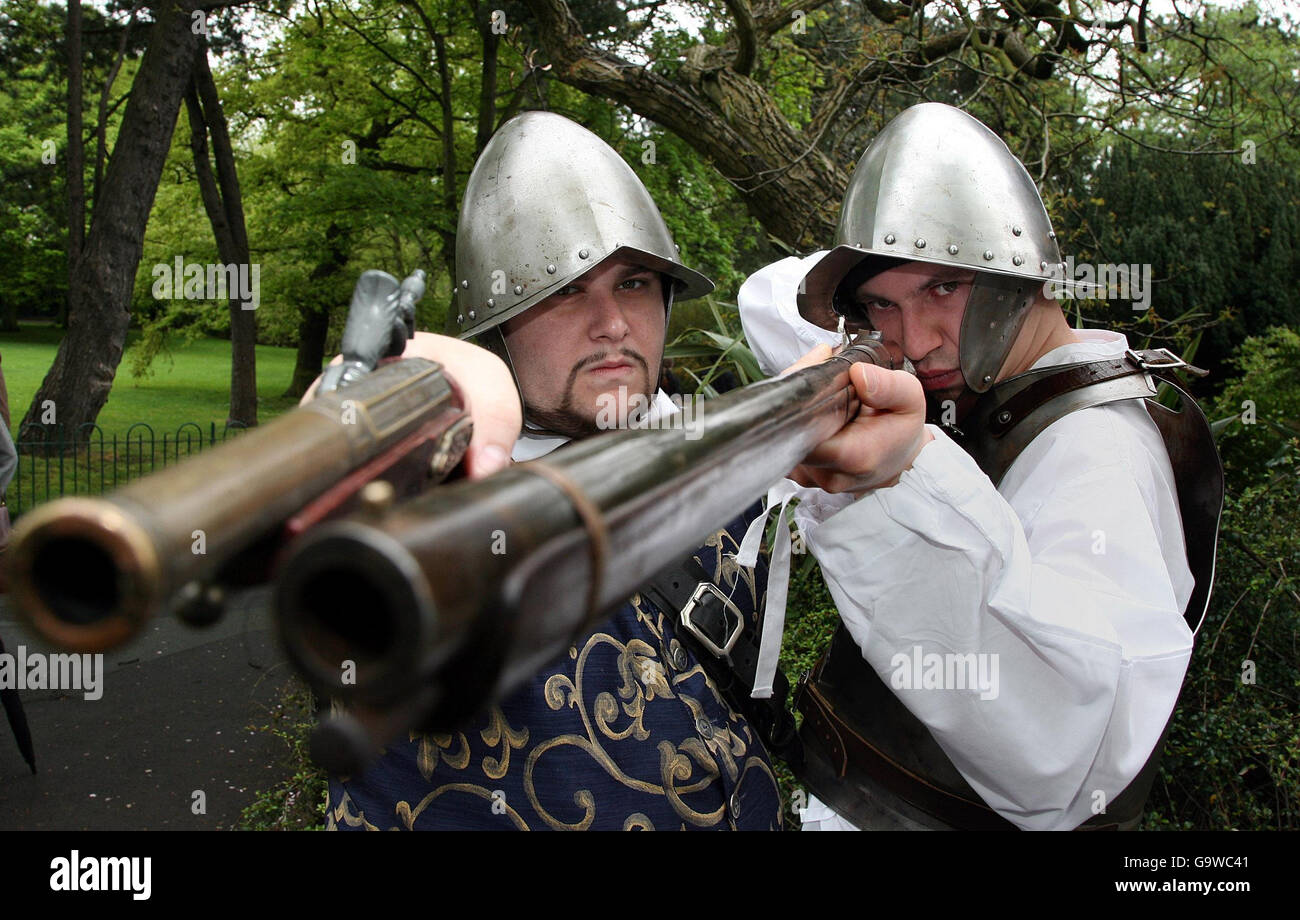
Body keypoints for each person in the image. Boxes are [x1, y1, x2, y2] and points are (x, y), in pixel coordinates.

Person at [737, 102, 1223, 831]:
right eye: (881, 305)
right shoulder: (999, 396)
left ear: (1019, 277)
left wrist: (902, 474)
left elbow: (1057, 744)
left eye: (943, 289)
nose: (915, 338)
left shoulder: (1095, 448)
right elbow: (767, 298)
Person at [314, 112, 786, 830]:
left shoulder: (718, 451)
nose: (611, 324)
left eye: (633, 283)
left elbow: (814, 309)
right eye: (564, 290)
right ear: (497, 326)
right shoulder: (435, 502)